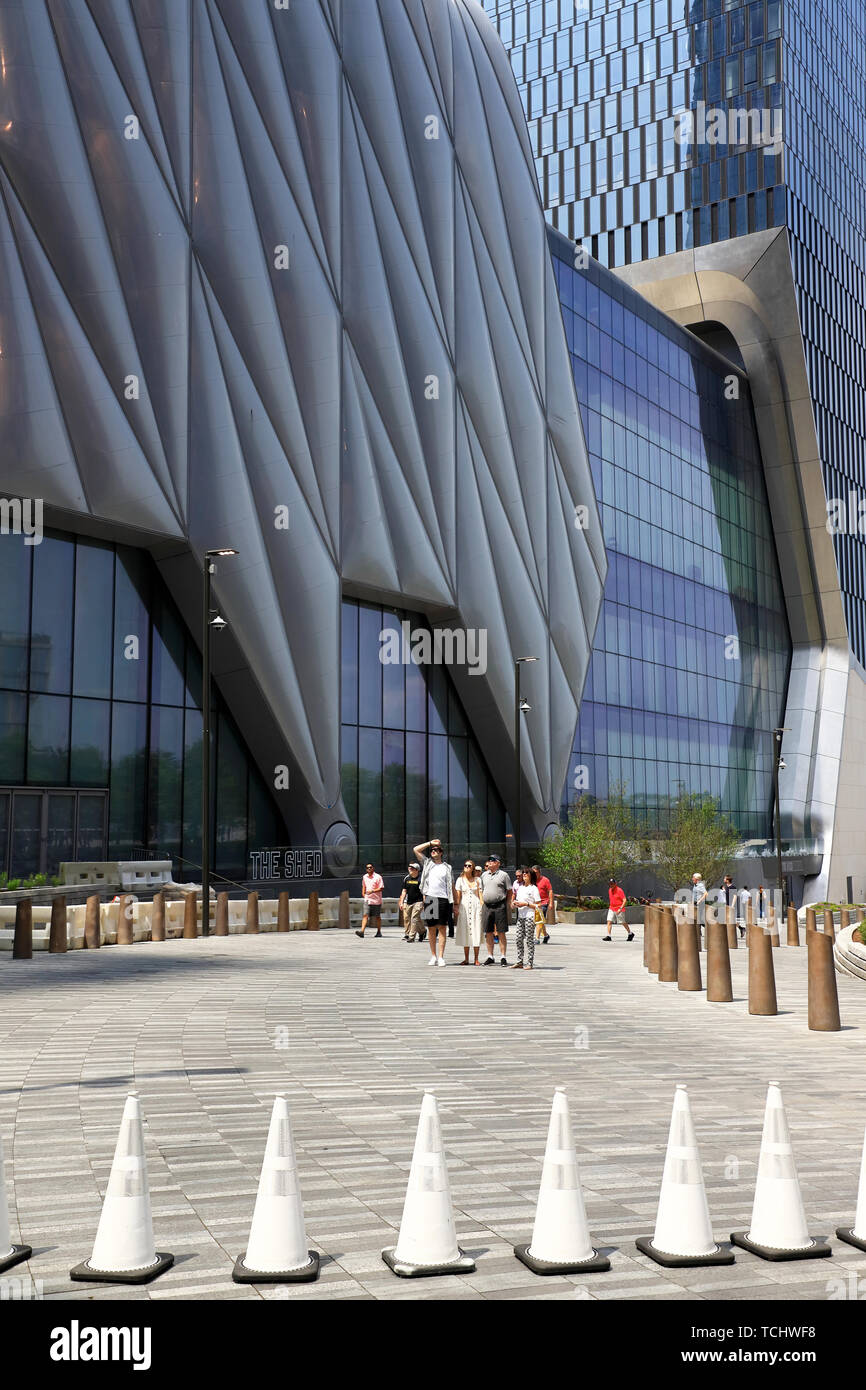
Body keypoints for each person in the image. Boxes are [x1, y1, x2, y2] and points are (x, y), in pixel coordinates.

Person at [413, 837, 454, 967]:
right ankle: (433, 956)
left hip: (443, 899)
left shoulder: (447, 867)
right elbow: (416, 849)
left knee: (442, 927)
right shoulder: (427, 863)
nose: (433, 851)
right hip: (430, 898)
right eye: (432, 850)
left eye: (436, 850)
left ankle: (441, 956)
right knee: (431, 929)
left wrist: (455, 903)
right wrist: (430, 843)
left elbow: (451, 885)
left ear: (441, 853)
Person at [480, 854, 512, 966]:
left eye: (492, 860)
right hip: (487, 906)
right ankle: (490, 956)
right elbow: (482, 890)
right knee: (488, 932)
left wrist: (507, 903)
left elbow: (509, 891)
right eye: (489, 860)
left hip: (500, 905)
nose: (489, 862)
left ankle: (503, 956)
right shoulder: (484, 875)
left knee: (501, 931)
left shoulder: (504, 875)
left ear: (498, 863)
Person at [454, 859, 484, 965]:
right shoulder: (460, 880)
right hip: (464, 906)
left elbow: (480, 895)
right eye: (465, 865)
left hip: (476, 906)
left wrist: (482, 906)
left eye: (469, 865)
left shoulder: (478, 880)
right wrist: (456, 906)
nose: (467, 867)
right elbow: (458, 895)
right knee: (465, 931)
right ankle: (466, 958)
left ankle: (476, 958)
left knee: (476, 930)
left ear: (472, 868)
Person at [513, 867, 541, 969]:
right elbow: (517, 900)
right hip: (521, 916)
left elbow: (538, 905)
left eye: (526, 873)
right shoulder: (520, 888)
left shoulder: (534, 888)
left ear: (531, 875)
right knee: (518, 938)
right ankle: (520, 961)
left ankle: (530, 962)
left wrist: (526, 904)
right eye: (523, 873)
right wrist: (515, 903)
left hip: (530, 915)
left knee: (529, 939)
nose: (524, 874)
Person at [356, 862, 384, 938]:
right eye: (367, 868)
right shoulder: (364, 877)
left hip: (376, 900)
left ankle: (379, 931)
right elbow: (364, 886)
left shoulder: (378, 877)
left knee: (377, 916)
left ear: (373, 868)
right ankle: (362, 931)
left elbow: (381, 888)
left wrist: (373, 891)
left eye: (370, 867)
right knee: (365, 915)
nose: (369, 869)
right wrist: (363, 894)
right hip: (368, 900)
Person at [399, 861, 425, 942]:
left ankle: (411, 936)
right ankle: (422, 931)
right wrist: (401, 902)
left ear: (417, 870)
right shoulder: (407, 878)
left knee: (414, 918)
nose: (410, 869)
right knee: (407, 918)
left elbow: (424, 893)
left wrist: (425, 903)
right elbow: (404, 891)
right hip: (408, 901)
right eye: (409, 868)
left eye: (412, 868)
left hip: (419, 901)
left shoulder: (421, 879)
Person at [533, 864, 553, 944]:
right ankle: (545, 935)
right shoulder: (531, 880)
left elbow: (550, 891)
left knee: (539, 920)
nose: (535, 875)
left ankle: (537, 938)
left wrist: (551, 903)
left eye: (536, 873)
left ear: (539, 872)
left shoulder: (545, 880)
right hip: (533, 903)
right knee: (541, 921)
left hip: (543, 903)